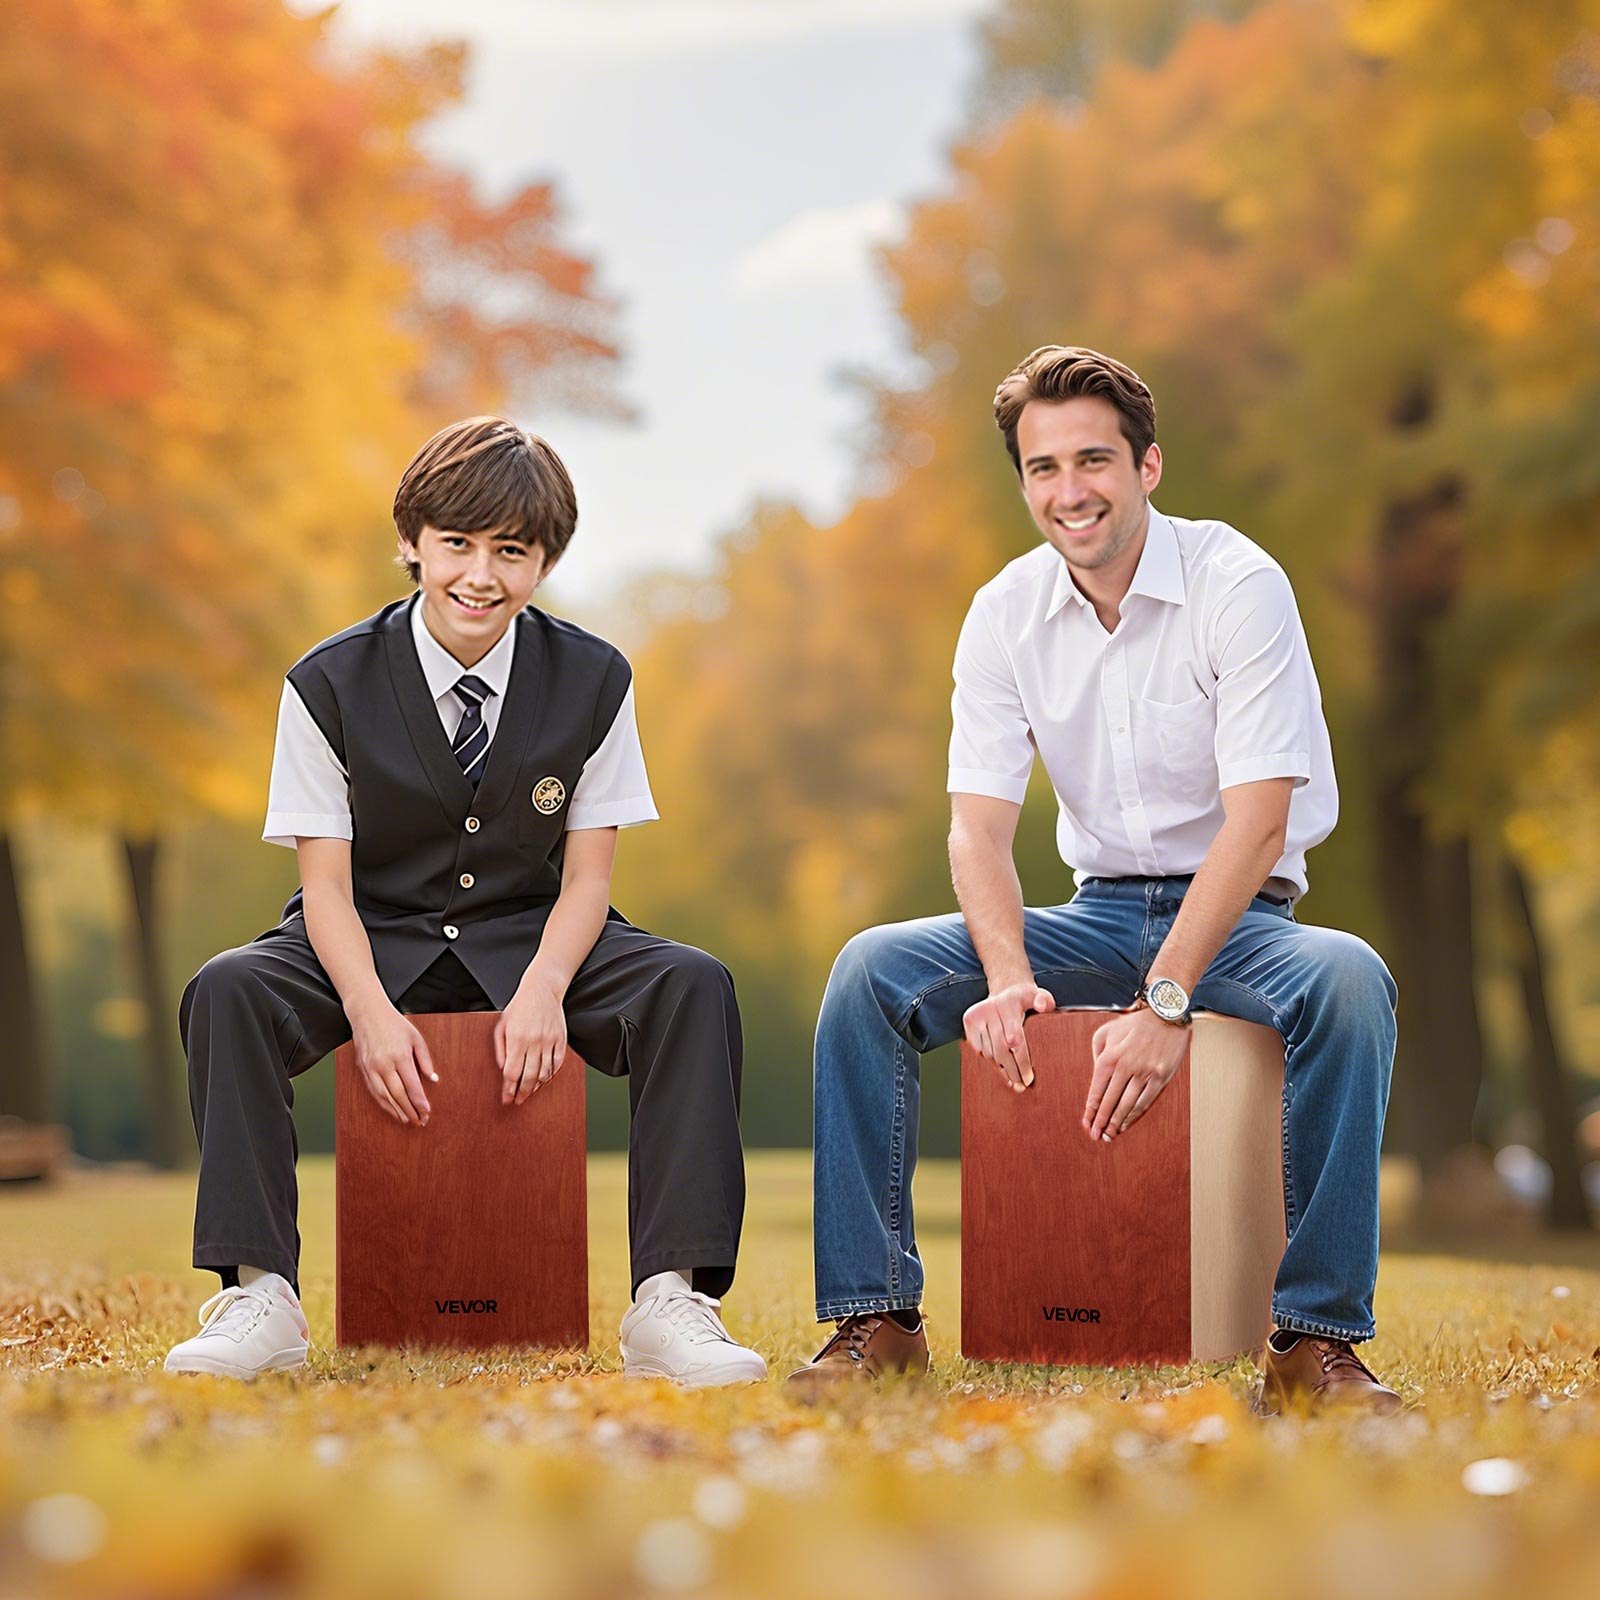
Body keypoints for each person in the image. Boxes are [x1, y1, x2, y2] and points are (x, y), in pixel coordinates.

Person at [788, 347, 1401, 1413]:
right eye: (1041, 468)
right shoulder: (1004, 612)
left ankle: (1313, 1341)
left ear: (1148, 464)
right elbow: (976, 829)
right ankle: (876, 1316)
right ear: (1022, 480)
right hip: (1095, 912)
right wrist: (1008, 970)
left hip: (1244, 917)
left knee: (1349, 979)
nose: (1068, 491)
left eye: (1092, 460)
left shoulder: (1237, 584)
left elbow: (1257, 823)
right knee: (869, 971)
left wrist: (1166, 1000)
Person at [165, 417, 763, 1388]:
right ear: (412, 543)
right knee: (229, 987)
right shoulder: (325, 681)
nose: (479, 575)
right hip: (370, 932)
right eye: (457, 544)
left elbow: (589, 880)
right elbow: (322, 884)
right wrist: (365, 1009)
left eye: (511, 551)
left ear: (545, 561)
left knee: (691, 984)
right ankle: (259, 1291)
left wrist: (542, 989)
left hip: (538, 930)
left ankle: (672, 1297)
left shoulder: (595, 676)